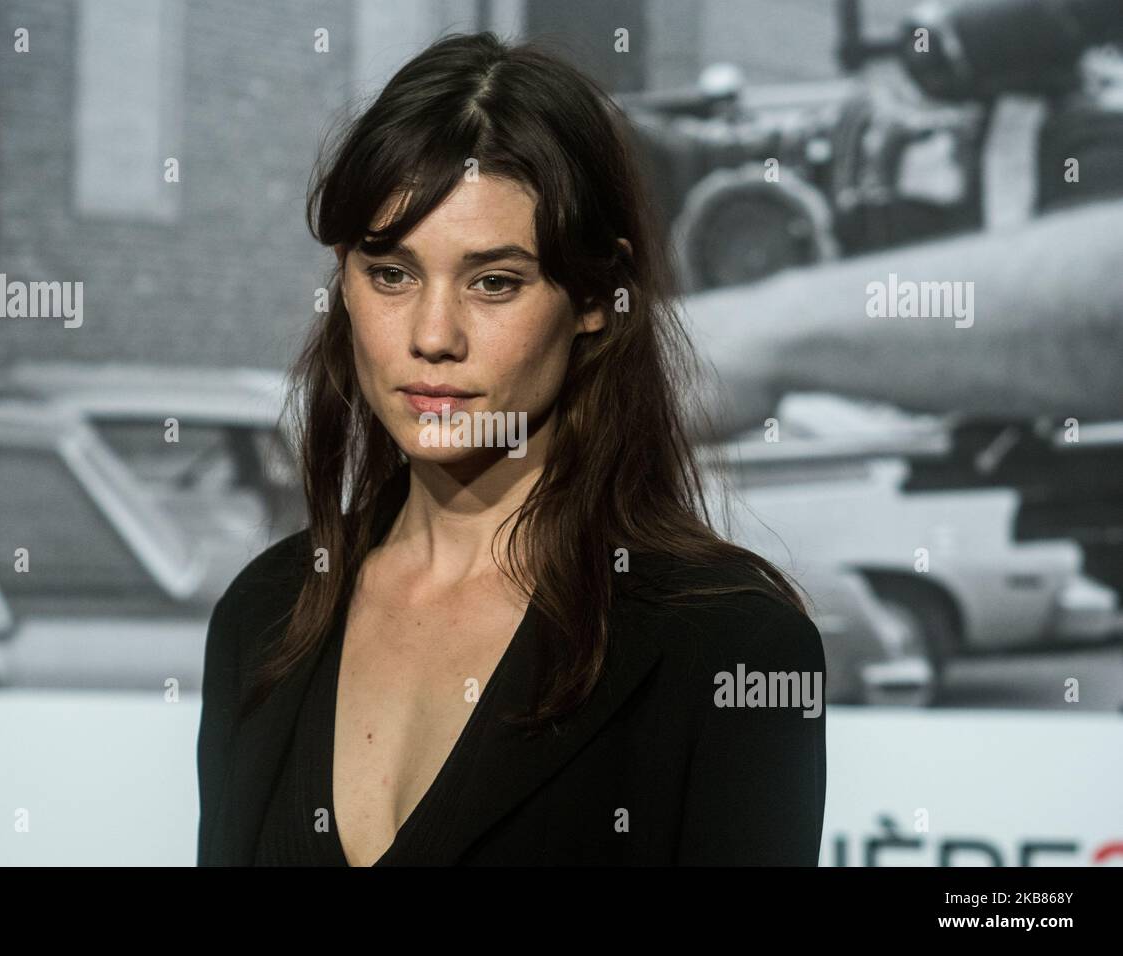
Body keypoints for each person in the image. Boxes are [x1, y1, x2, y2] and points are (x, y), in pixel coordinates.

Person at [196, 31, 826, 867]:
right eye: (391, 273)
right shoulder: (267, 613)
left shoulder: (732, 643)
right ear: (344, 281)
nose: (432, 336)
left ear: (600, 297)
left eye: (494, 281)